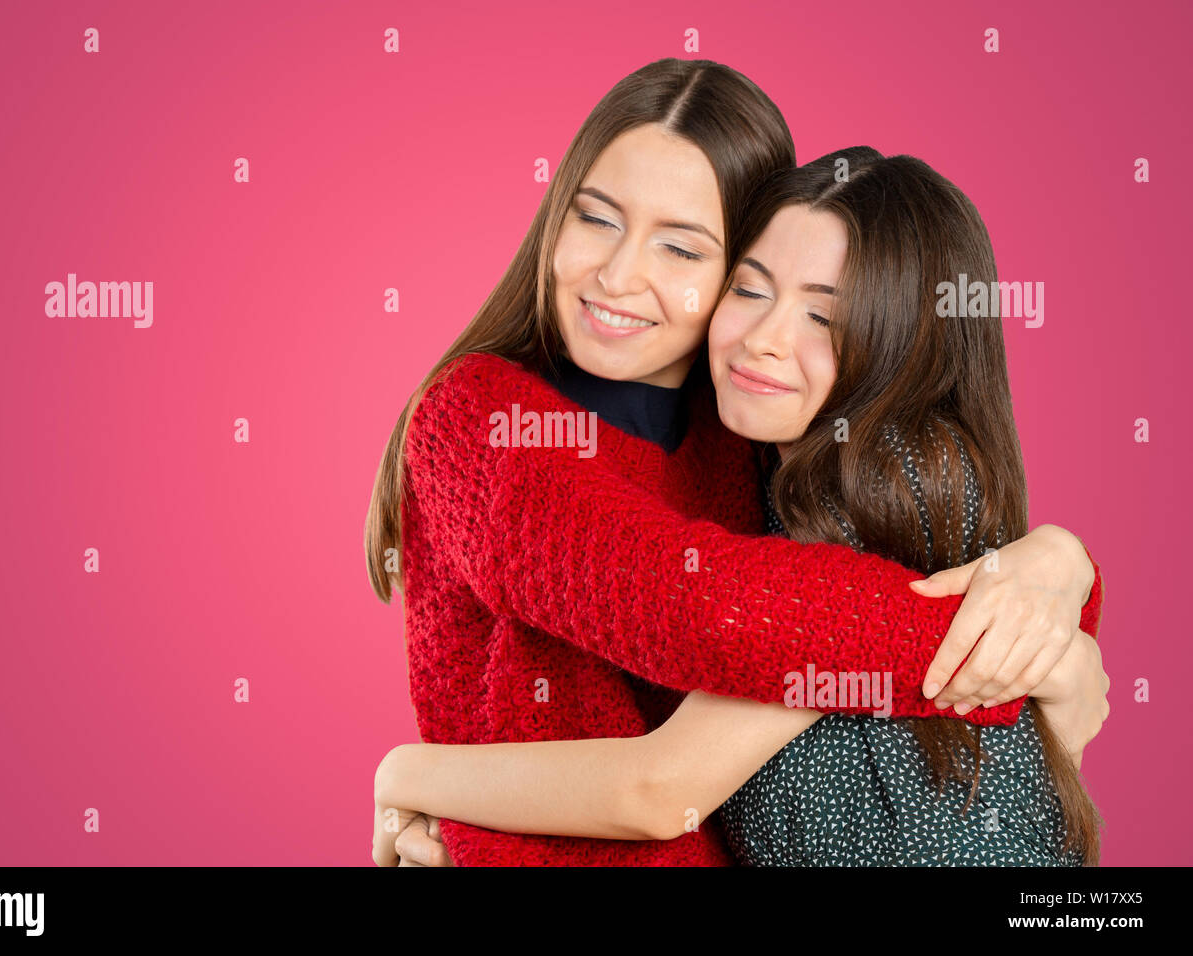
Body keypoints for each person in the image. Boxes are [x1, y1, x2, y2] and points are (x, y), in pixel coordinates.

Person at [365, 60, 1105, 866]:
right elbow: (695, 607)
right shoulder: (484, 420)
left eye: (682, 249)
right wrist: (1026, 626)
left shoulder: (756, 435)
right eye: (595, 218)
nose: (618, 275)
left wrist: (1053, 572)